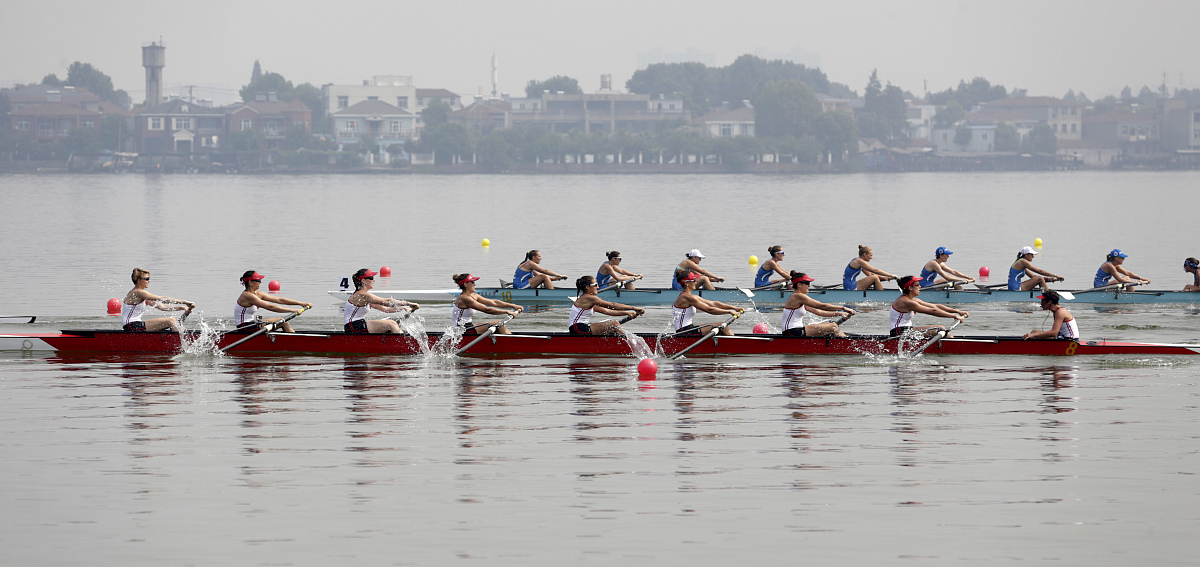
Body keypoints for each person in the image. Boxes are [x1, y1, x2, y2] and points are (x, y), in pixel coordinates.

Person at [890, 275, 969, 338]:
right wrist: (954, 316)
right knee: (941, 329)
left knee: (942, 330)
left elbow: (935, 306)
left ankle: (951, 342)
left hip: (907, 330)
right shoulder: (905, 302)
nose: (920, 286)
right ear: (910, 288)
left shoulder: (912, 300)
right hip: (899, 333)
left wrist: (958, 311)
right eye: (917, 284)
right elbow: (933, 311)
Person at [343, 268, 419, 334]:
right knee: (391, 324)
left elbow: (386, 309)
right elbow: (387, 301)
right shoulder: (361, 295)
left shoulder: (365, 297)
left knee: (394, 322)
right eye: (371, 277)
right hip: (353, 327)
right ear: (363, 281)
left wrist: (404, 308)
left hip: (359, 324)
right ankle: (404, 345)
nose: (374, 280)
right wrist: (408, 303)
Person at [781, 272, 856, 337]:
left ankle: (843, 343)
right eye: (807, 283)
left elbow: (820, 312)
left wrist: (841, 314)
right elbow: (822, 306)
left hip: (797, 331)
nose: (809, 286)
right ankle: (848, 345)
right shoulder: (797, 296)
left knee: (831, 328)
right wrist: (843, 308)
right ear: (799, 285)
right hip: (791, 332)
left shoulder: (799, 300)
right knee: (833, 326)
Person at [234, 270, 312, 333]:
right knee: (284, 322)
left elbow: (279, 300)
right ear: (250, 282)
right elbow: (271, 307)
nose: (260, 282)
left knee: (282, 321)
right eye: (258, 280)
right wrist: (293, 310)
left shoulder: (258, 294)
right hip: (245, 328)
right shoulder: (247, 296)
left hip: (252, 323)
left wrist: (301, 303)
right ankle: (295, 343)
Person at [121, 267, 195, 332]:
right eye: (147, 279)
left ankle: (175, 340)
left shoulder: (142, 296)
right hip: (131, 326)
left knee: (174, 321)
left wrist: (182, 308)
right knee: (171, 321)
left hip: (136, 325)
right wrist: (184, 302)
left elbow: (162, 306)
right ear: (139, 281)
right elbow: (162, 299)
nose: (149, 281)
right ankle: (179, 344)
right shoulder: (138, 292)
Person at [671, 271, 744, 336]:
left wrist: (734, 308)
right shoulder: (687, 297)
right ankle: (738, 346)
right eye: (693, 280)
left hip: (689, 329)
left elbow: (713, 304)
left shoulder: (690, 296)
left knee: (720, 329)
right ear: (686, 283)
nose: (696, 282)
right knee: (722, 326)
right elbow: (710, 310)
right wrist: (729, 312)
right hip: (684, 333)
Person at [568, 276, 645, 335]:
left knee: (611, 326)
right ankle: (628, 343)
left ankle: (620, 343)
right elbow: (612, 305)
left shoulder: (588, 302)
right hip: (578, 329)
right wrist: (634, 308)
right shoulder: (588, 298)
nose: (598, 287)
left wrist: (628, 313)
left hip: (580, 328)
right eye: (595, 285)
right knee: (614, 324)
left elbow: (609, 311)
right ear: (587, 287)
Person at [452, 273, 523, 335]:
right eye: (472, 282)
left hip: (469, 326)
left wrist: (513, 305)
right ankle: (513, 343)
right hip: (462, 331)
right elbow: (487, 310)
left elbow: (494, 302)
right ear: (465, 284)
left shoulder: (473, 295)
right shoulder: (464, 298)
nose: (475, 284)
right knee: (499, 324)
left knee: (496, 326)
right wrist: (507, 311)